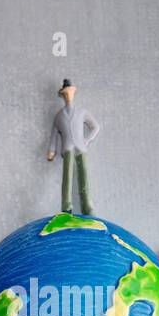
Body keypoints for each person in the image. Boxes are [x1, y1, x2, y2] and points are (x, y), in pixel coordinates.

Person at [46, 79, 101, 214]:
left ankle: (87, 205)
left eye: (69, 92)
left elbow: (95, 126)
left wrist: (87, 140)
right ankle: (66, 206)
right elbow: (54, 134)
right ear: (63, 96)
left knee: (84, 175)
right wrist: (51, 150)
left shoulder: (82, 112)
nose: (68, 96)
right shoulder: (59, 116)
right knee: (67, 177)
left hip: (81, 147)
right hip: (67, 148)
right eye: (65, 93)